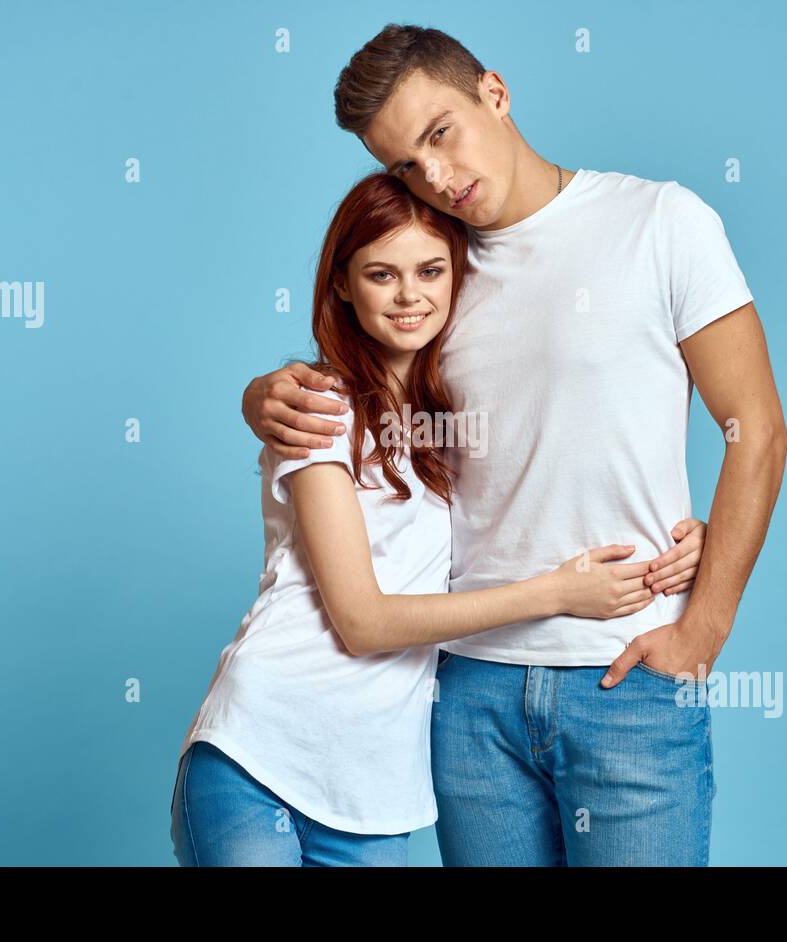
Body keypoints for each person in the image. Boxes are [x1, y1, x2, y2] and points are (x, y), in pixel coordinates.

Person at [241, 24, 787, 866]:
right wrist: (263, 394)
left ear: (494, 93)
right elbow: (354, 390)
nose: (436, 177)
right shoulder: (435, 270)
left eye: (439, 134)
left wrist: (702, 629)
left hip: (628, 673)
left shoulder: (660, 220)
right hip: (468, 693)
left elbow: (757, 429)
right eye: (404, 167)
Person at [171, 171, 711, 867]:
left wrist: (679, 534)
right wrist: (557, 591)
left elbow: (556, 468)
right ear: (342, 284)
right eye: (380, 273)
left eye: (430, 270)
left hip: (372, 792)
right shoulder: (322, 407)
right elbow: (363, 621)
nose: (409, 295)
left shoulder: (453, 425)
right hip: (259, 751)